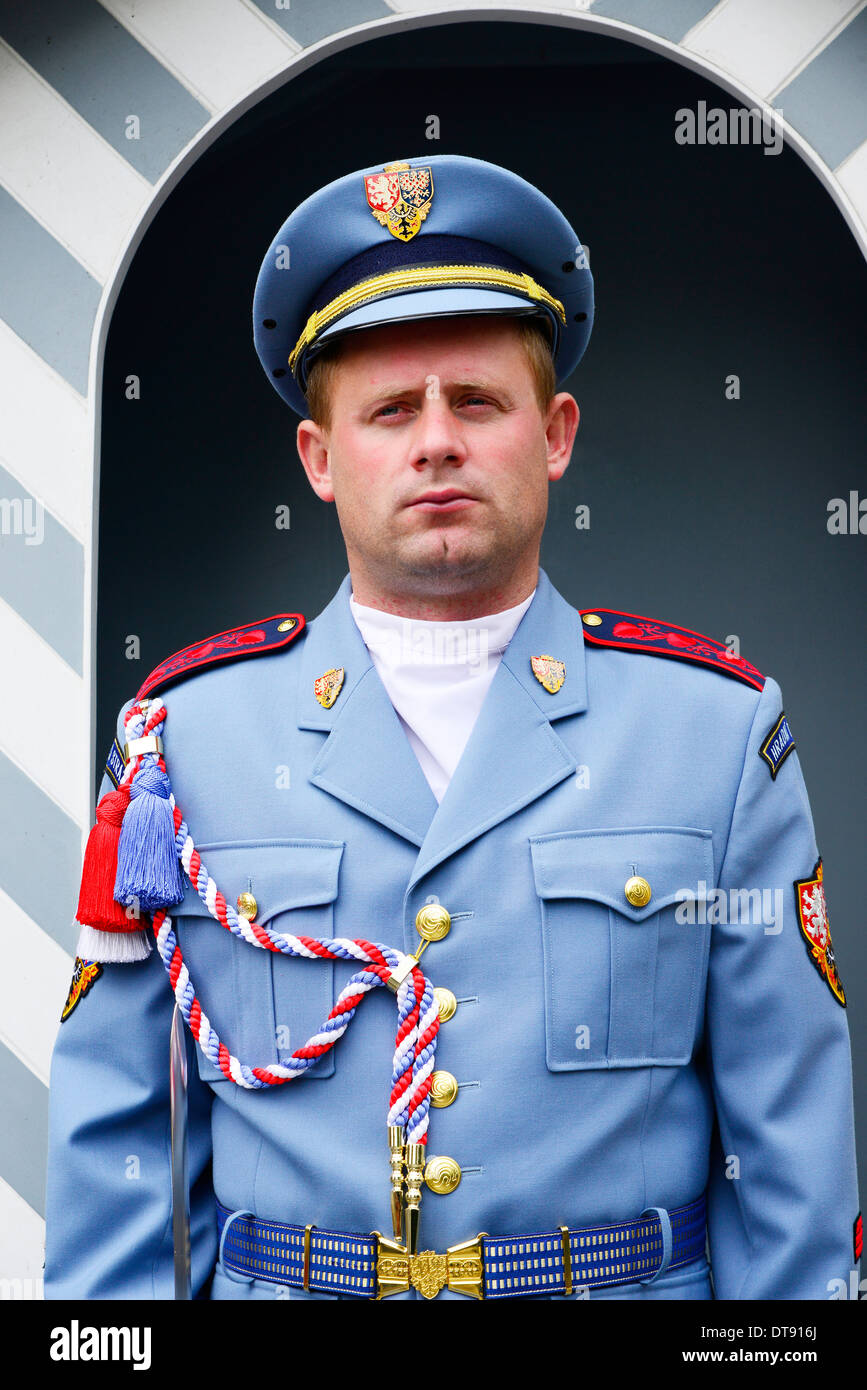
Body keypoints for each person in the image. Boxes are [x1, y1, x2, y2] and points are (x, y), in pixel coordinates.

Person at [44, 154, 860, 1301]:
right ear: (320, 461)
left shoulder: (719, 738)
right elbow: (115, 1157)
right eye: (389, 411)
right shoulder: (180, 744)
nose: (436, 442)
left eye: (475, 401)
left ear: (556, 433)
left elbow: (793, 1170)